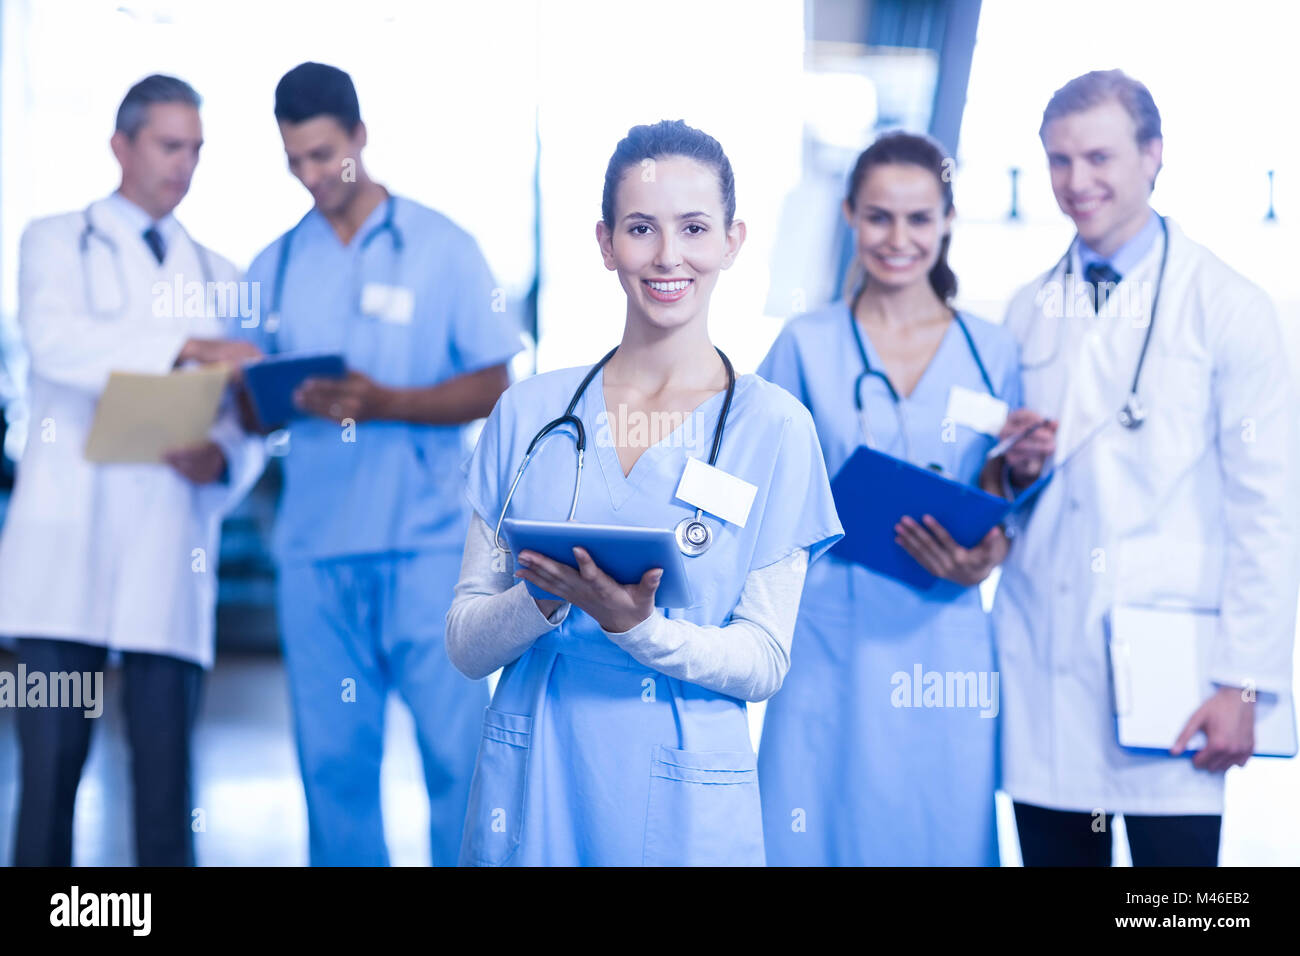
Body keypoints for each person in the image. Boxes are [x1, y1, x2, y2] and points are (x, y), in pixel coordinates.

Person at [445, 119, 843, 866]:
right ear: (605, 243)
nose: (668, 256)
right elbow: (466, 646)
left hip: (685, 787)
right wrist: (542, 598)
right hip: (539, 768)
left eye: (694, 228)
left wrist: (637, 628)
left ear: (732, 241)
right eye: (641, 228)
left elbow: (763, 660)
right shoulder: (531, 415)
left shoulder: (776, 430)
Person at [993, 69, 1300, 866]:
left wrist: (1245, 686)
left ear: (1153, 155)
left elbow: (1268, 510)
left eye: (1099, 157)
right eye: (1058, 161)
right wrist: (1015, 469)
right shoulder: (1026, 310)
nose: (1075, 182)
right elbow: (1004, 494)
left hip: (1178, 677)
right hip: (1045, 668)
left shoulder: (1229, 305)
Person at [234, 63, 520, 866]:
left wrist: (384, 402)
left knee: (457, 758)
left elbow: (496, 384)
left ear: (360, 137)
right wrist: (247, 388)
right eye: (296, 161)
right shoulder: (277, 265)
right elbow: (253, 412)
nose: (314, 176)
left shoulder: (442, 248)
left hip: (428, 550)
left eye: (326, 155)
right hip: (316, 555)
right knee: (333, 768)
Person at [0, 74, 264, 866]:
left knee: (165, 786)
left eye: (197, 150)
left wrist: (225, 459)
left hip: (166, 555)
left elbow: (241, 420)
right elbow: (55, 346)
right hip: (62, 562)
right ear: (122, 144)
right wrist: (186, 348)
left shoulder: (221, 275)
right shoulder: (53, 240)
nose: (184, 165)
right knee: (47, 776)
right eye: (169, 145)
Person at [755, 131, 1020, 866]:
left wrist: (989, 551)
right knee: (817, 824)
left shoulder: (992, 350)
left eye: (918, 219)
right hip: (829, 635)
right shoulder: (805, 343)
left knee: (940, 831)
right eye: (879, 217)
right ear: (848, 216)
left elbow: (1005, 490)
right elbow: (755, 483)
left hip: (944, 633)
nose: (898, 239)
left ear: (947, 221)